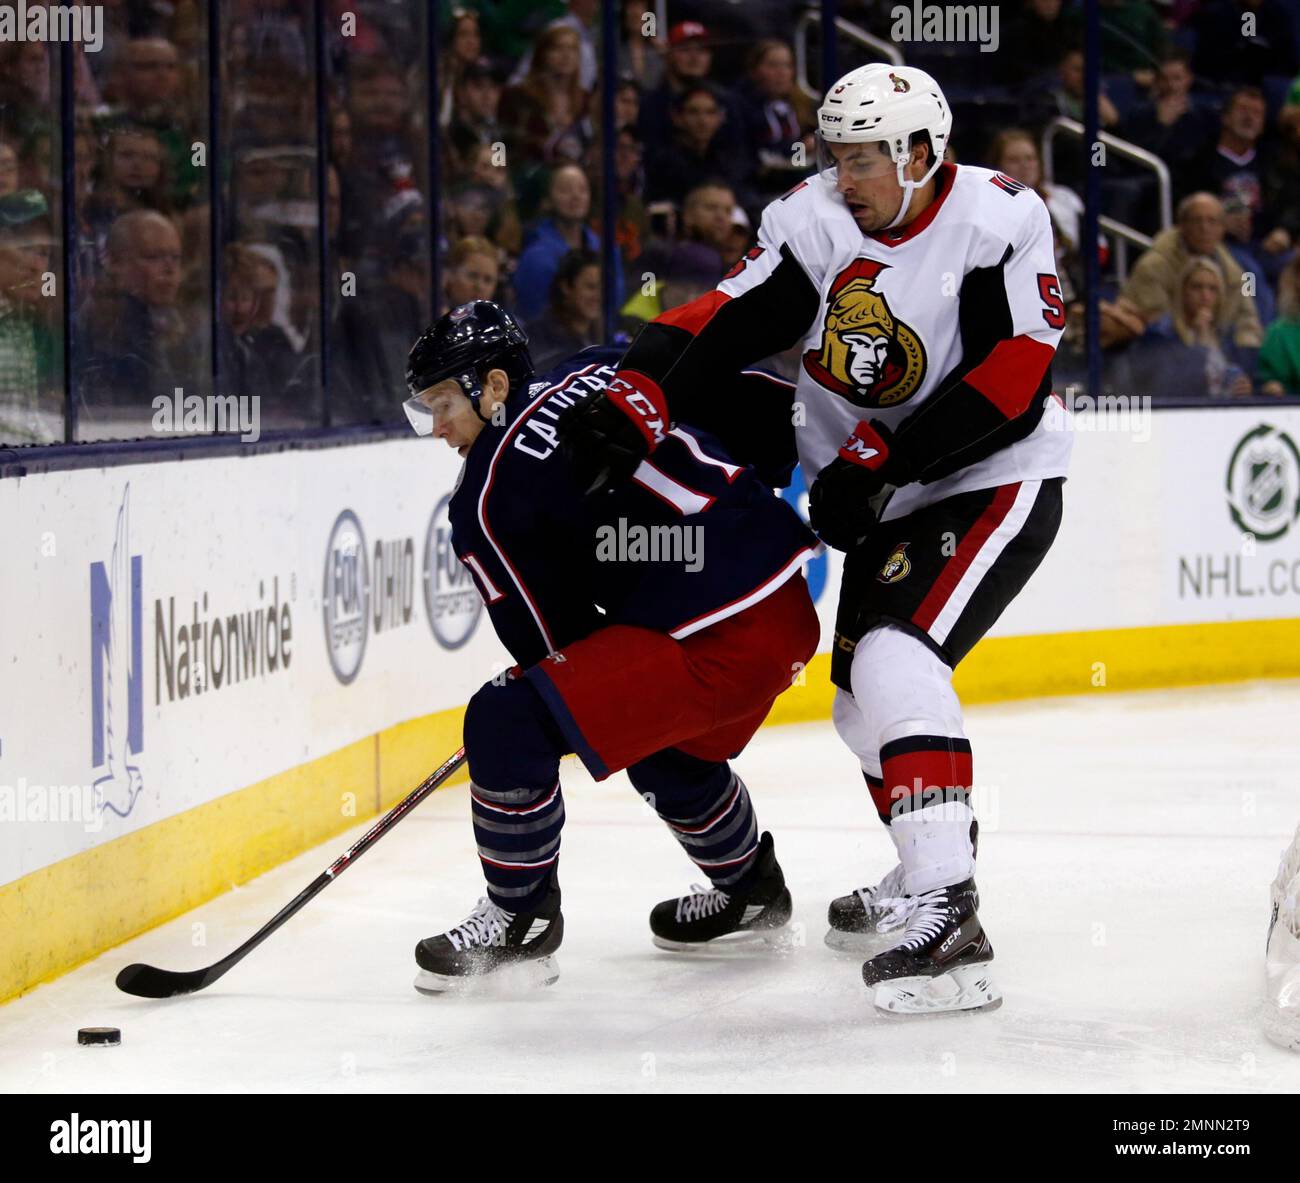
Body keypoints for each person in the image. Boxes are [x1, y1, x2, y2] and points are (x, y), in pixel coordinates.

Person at [557, 64, 1074, 1015]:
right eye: (836, 157)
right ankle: (933, 860)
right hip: (880, 489)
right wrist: (642, 389)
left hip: (988, 476)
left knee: (891, 654)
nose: (847, 177)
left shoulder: (1001, 217)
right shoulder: (816, 218)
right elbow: (732, 315)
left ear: (924, 154)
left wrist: (882, 458)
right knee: (857, 707)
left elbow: (1015, 379)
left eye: (866, 159)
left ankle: (948, 907)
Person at [401, 301, 821, 990]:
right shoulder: (597, 366)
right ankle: (750, 889)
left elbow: (555, 643)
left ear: (495, 385)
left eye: (444, 402)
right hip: (784, 609)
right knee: (665, 749)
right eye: (426, 408)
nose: (438, 426)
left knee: (505, 719)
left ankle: (521, 919)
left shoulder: (483, 496)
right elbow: (750, 403)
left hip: (714, 637)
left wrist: (543, 708)